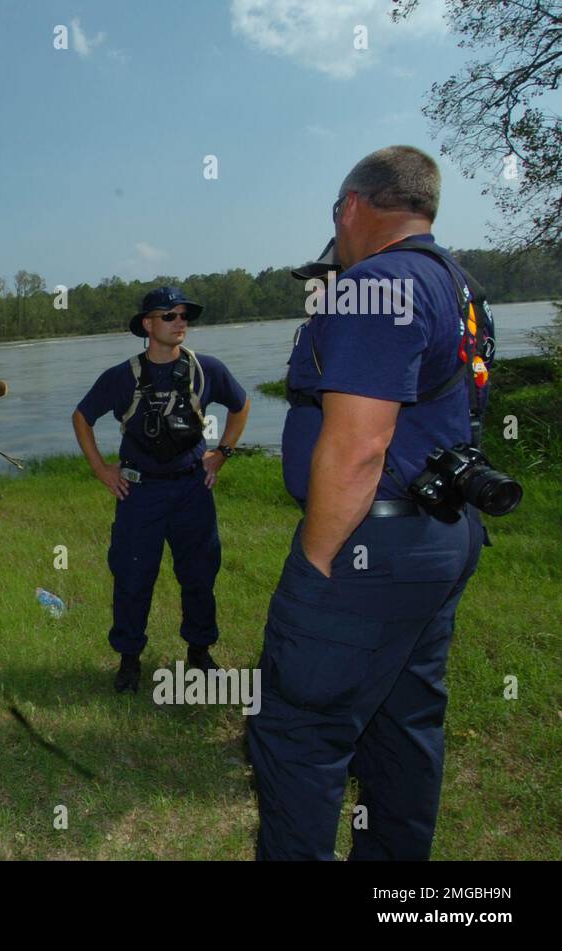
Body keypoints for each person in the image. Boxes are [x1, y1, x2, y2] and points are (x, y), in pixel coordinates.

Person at [247, 145, 492, 860]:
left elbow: (359, 447)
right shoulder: (456, 282)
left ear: (352, 205)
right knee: (402, 724)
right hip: (440, 534)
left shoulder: (375, 284)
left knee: (298, 734)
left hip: (369, 547)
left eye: (336, 215)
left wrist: (317, 559)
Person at [72, 286, 250, 694]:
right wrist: (101, 469)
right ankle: (129, 660)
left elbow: (241, 406)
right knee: (133, 576)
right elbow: (82, 418)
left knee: (200, 575)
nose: (180, 322)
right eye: (169, 316)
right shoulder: (121, 377)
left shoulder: (207, 369)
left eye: (184, 315)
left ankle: (200, 655)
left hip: (192, 490)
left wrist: (221, 453)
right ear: (148, 325)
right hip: (139, 494)